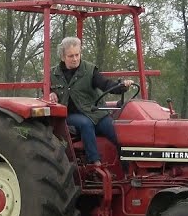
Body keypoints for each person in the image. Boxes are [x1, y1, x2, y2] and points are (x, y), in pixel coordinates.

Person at [48, 37, 133, 172]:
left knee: (118, 134)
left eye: (77, 54)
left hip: (95, 113)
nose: (75, 59)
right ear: (63, 57)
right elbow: (46, 90)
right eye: (71, 56)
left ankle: (129, 170)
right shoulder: (52, 74)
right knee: (85, 124)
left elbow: (106, 84)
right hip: (70, 115)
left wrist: (121, 86)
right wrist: (50, 93)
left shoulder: (89, 70)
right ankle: (95, 164)